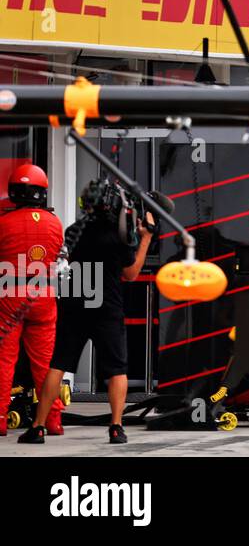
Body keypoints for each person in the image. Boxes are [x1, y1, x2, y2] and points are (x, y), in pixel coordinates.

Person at [23, 181, 155, 444]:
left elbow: (69, 261)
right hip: (107, 307)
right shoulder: (120, 234)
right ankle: (116, 427)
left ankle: (38, 427)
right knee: (117, 370)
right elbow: (130, 274)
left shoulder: (74, 231)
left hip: (75, 304)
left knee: (58, 365)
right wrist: (146, 239)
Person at [0, 165, 63, 436]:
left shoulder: (4, 222)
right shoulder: (55, 222)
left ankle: (0, 419)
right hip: (44, 296)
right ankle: (53, 419)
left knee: (4, 360)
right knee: (46, 361)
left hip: (9, 296)